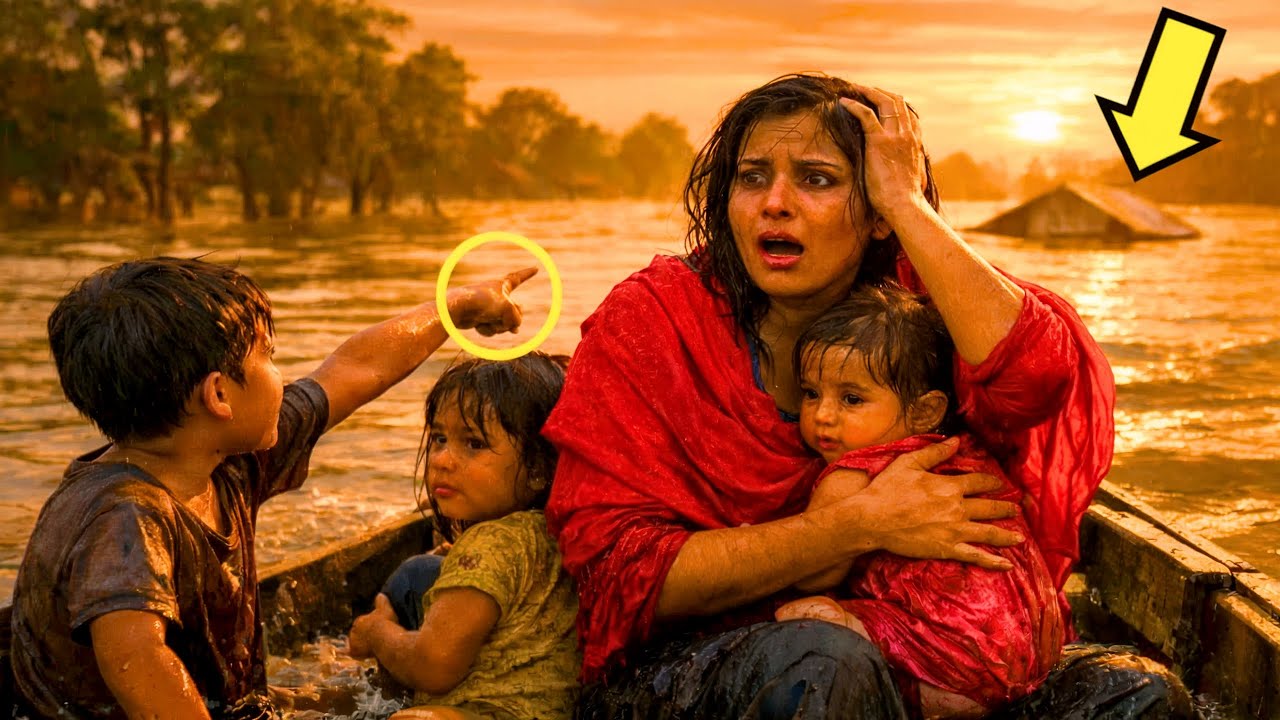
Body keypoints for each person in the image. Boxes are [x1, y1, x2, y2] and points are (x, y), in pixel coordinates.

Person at [542, 73, 1193, 718]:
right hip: (693, 665)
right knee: (824, 663)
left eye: (817, 179)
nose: (775, 203)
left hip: (915, 652)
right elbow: (619, 574)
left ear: (877, 214)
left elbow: (1037, 375)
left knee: (1137, 692)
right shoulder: (653, 320)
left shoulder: (916, 305)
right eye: (752, 177)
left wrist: (908, 204)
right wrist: (856, 525)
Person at [9, 256, 535, 719]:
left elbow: (355, 368)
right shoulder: (125, 516)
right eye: (268, 356)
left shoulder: (225, 456)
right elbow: (137, 659)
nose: (283, 377)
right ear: (219, 395)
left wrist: (459, 307)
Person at [772, 284, 1064, 718]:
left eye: (851, 399)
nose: (822, 415)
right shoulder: (968, 454)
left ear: (927, 411)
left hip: (942, 674)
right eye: (811, 393)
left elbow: (815, 572)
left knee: (802, 614)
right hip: (1031, 657)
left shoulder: (852, 476)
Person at [346, 353, 580, 720]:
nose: (441, 460)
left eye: (473, 444)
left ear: (537, 468)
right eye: (439, 438)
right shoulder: (557, 532)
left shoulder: (490, 544)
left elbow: (432, 664)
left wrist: (377, 632)